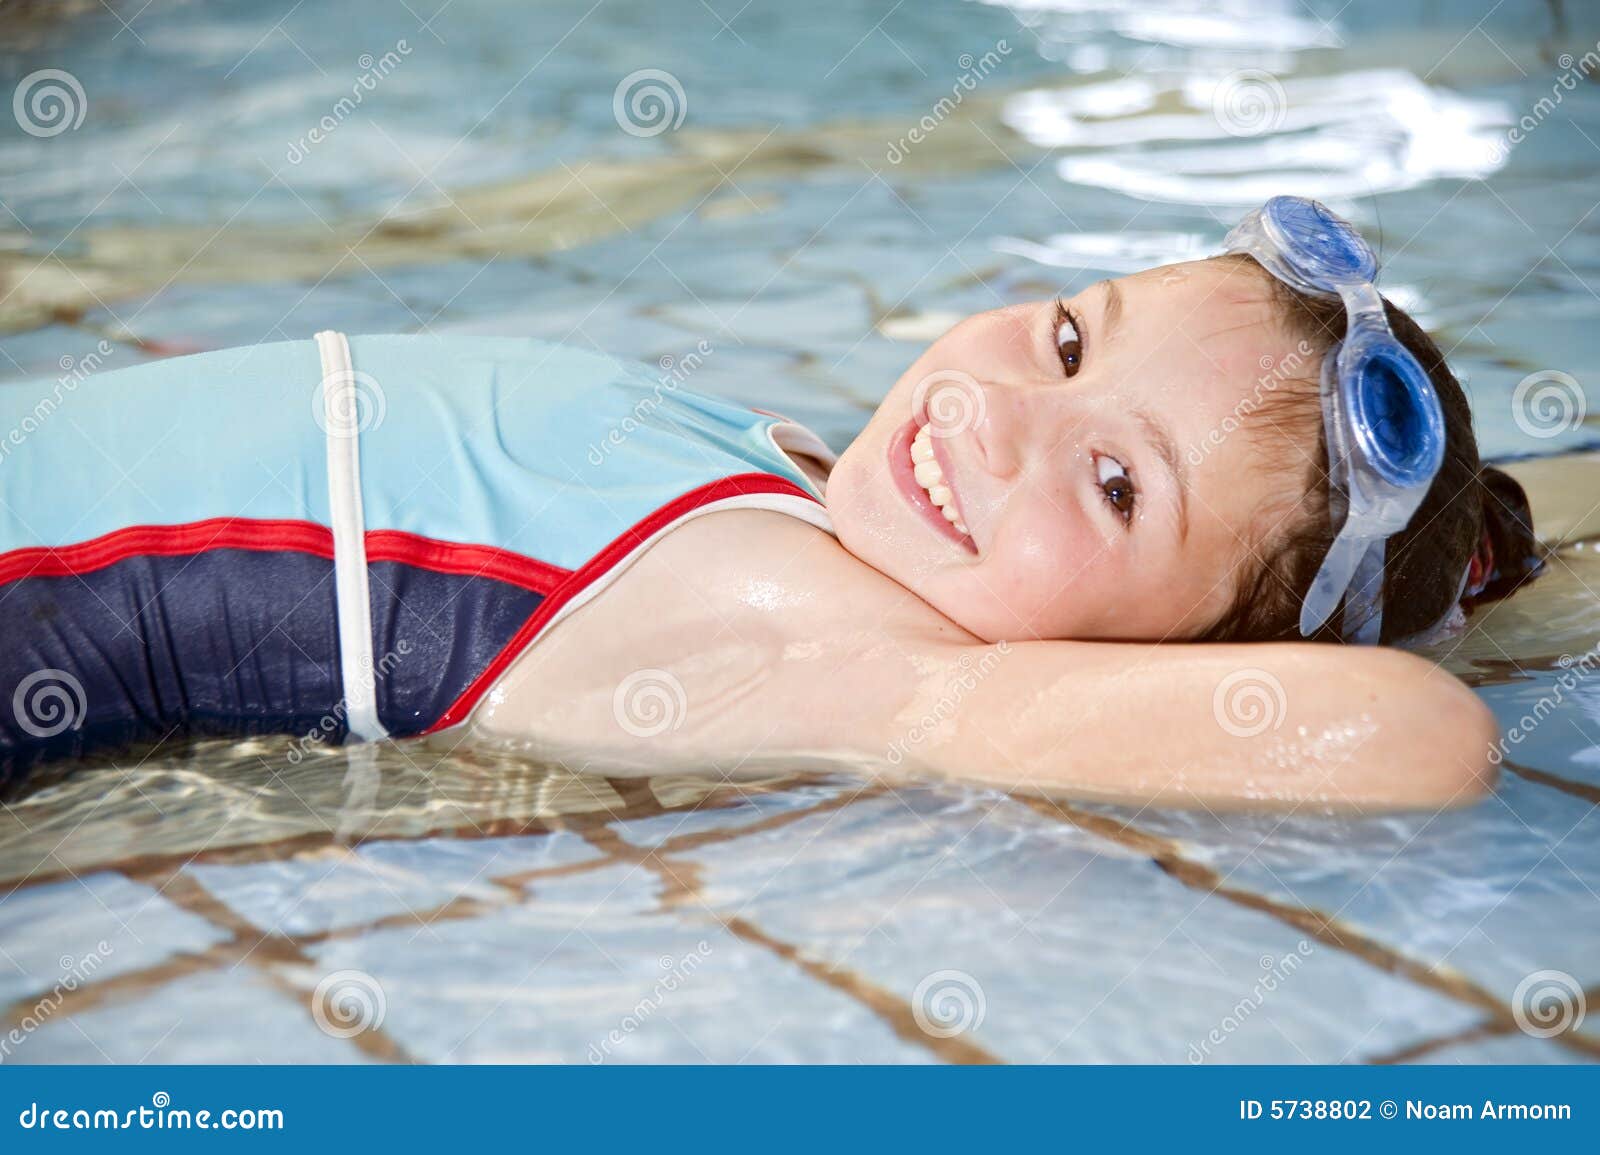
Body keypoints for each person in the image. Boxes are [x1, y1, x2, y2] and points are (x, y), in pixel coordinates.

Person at [0, 198, 1539, 809]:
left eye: (1119, 485)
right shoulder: (812, 495)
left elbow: (1422, 738)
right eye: (1073, 339)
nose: (1002, 410)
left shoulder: (861, 661)